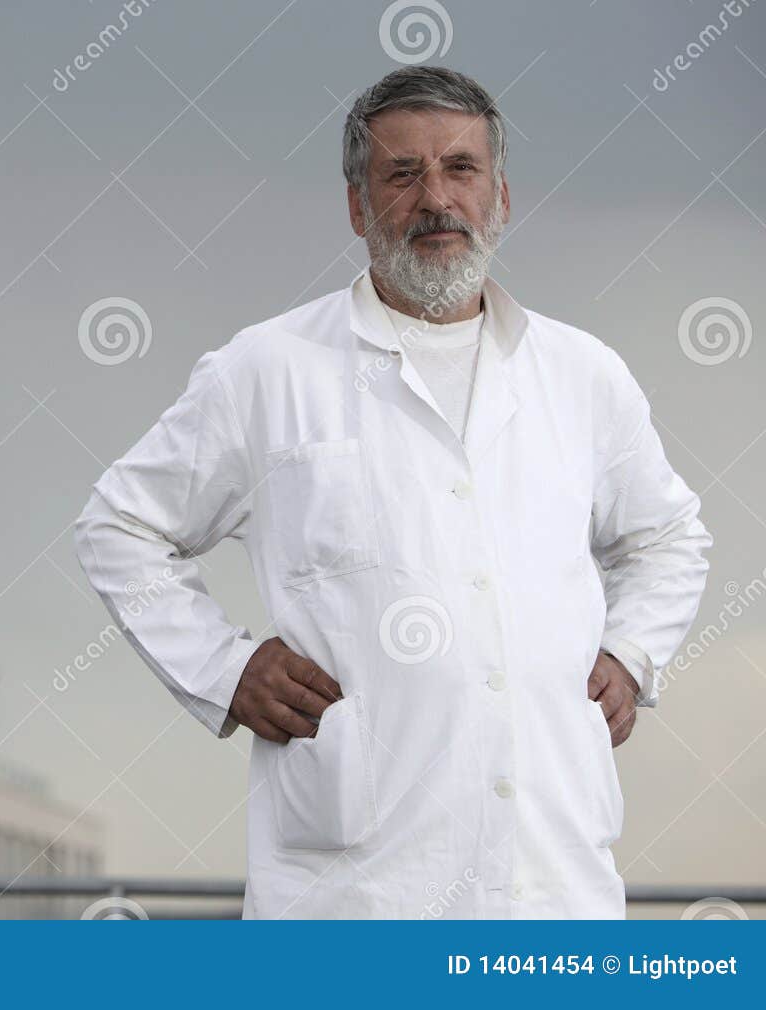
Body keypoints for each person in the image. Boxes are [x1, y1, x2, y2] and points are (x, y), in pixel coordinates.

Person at [72, 66, 711, 919]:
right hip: (355, 898)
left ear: (503, 195)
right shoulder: (270, 371)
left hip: (553, 891)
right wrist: (226, 670)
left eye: (460, 169)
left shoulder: (582, 375)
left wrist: (632, 653)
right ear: (355, 205)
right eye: (402, 173)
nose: (435, 197)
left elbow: (668, 537)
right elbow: (120, 525)